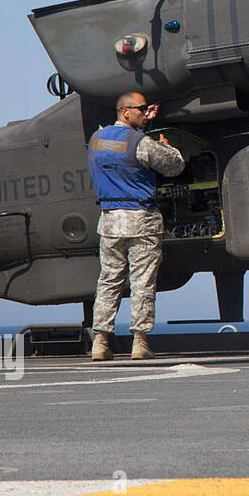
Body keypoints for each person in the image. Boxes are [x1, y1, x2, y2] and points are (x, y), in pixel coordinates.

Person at [86, 92, 185, 361]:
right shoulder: (140, 142)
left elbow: (116, 158)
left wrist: (145, 127)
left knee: (109, 281)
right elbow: (174, 166)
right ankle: (140, 343)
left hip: (109, 220)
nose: (145, 112)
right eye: (141, 109)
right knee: (142, 282)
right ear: (125, 111)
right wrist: (166, 146)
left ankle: (100, 342)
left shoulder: (95, 140)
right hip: (141, 218)